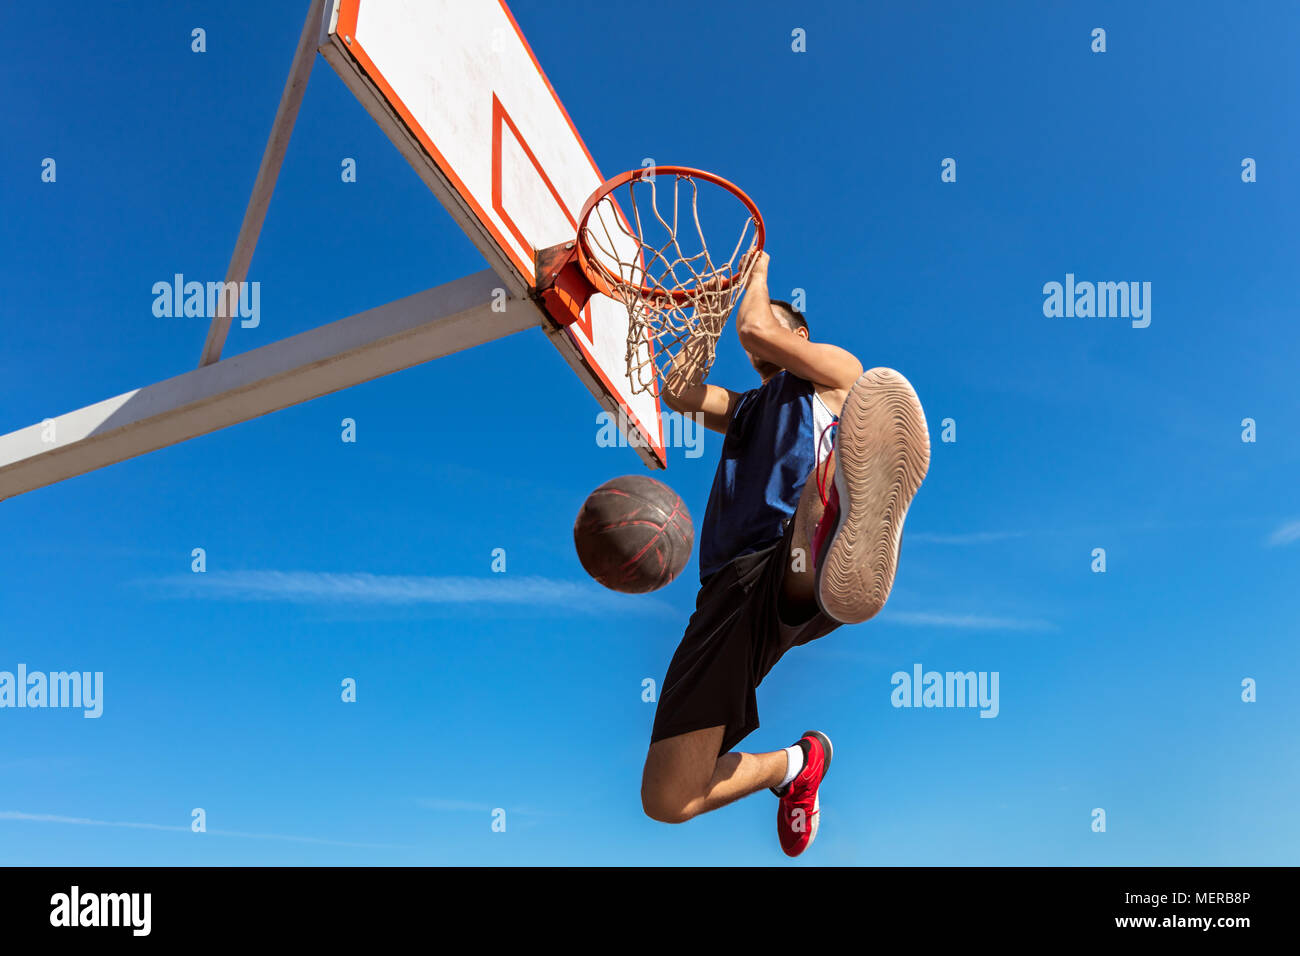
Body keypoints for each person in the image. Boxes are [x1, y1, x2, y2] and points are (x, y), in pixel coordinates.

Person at [640, 251, 930, 856]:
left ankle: (837, 510)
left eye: (771, 329)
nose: (754, 351)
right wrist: (711, 313)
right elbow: (677, 392)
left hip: (787, 555)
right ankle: (797, 764)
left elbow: (757, 329)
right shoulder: (748, 406)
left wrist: (754, 273)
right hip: (731, 594)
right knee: (669, 797)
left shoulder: (838, 373)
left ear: (799, 333)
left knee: (801, 541)